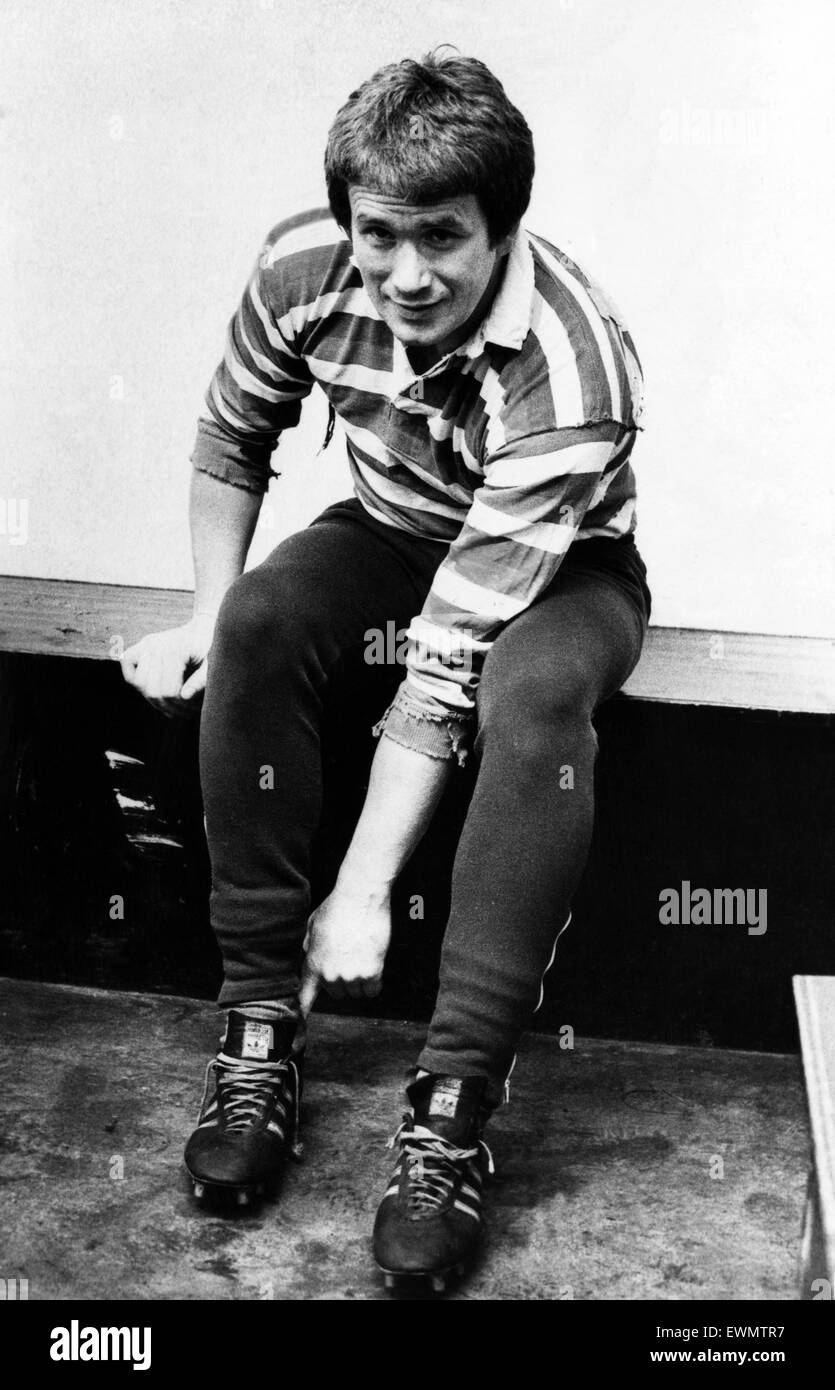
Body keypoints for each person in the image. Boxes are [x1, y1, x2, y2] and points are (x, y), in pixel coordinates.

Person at [121, 49, 651, 1294]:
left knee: (529, 698)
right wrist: (206, 613)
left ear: (502, 227)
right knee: (257, 617)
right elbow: (231, 432)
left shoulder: (571, 369)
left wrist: (361, 891)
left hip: (561, 575)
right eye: (382, 234)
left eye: (443, 238)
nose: (408, 273)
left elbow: (447, 663)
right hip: (398, 530)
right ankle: (258, 1029)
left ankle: (451, 1110)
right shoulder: (302, 266)